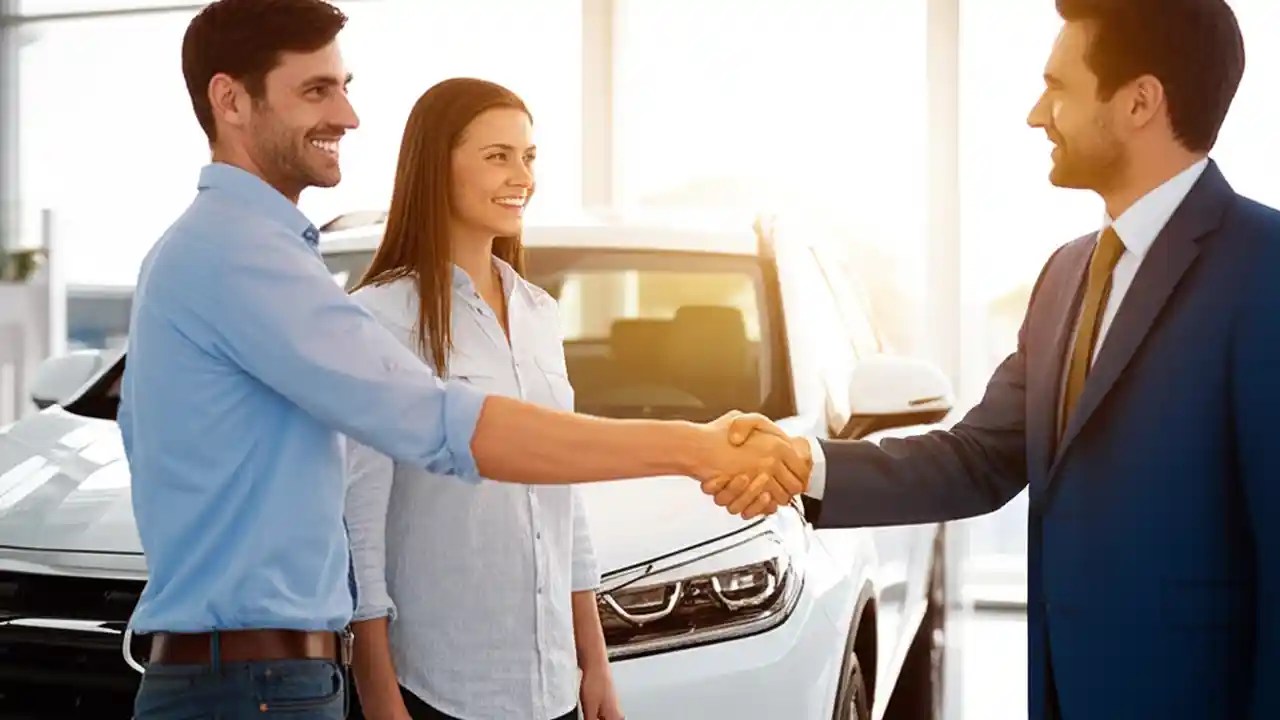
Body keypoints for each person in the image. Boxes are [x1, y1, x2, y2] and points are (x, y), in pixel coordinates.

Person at [120, 1, 806, 717]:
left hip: (273, 681)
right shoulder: (239, 257)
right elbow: (447, 428)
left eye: (345, 86)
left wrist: (588, 659)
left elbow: (546, 500)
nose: (350, 116)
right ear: (230, 100)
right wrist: (693, 447)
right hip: (254, 689)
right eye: (317, 90)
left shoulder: (254, 255)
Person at [717, 0, 1279, 718]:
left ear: (1140, 102)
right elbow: (980, 458)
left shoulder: (1265, 269)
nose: (1037, 114)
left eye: (1059, 87)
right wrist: (805, 463)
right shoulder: (1067, 274)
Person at [341, 78, 622, 720]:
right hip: (437, 688)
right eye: (498, 156)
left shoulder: (540, 314)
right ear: (435, 164)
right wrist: (382, 701)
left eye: (528, 156)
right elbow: (362, 528)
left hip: (553, 687)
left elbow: (565, 498)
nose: (521, 175)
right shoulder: (378, 319)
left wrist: (594, 662)